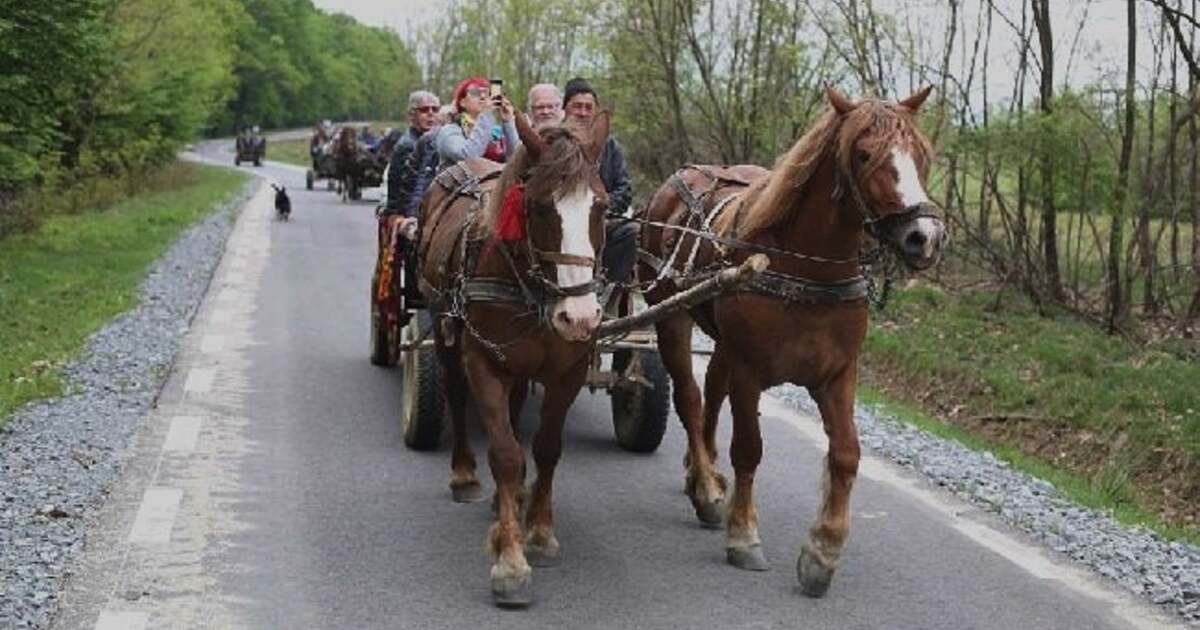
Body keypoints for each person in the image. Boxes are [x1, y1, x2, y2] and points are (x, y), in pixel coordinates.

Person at [561, 77, 637, 287]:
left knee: (631, 231)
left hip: (601, 220)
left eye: (588, 108)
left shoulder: (609, 145)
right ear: (565, 109)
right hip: (561, 223)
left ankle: (608, 291)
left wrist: (600, 207)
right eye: (577, 106)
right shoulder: (554, 142)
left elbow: (624, 188)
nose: (583, 113)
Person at [436, 77, 519, 170]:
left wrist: (508, 122)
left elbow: (515, 159)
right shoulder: (449, 130)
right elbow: (468, 157)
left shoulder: (495, 131)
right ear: (462, 102)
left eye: (488, 94)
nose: (483, 97)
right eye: (475, 93)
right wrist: (486, 114)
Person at [385, 90, 441, 220]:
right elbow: (406, 191)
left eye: (435, 109)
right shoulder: (409, 145)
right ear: (411, 116)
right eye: (424, 109)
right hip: (408, 215)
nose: (430, 114)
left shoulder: (436, 141)